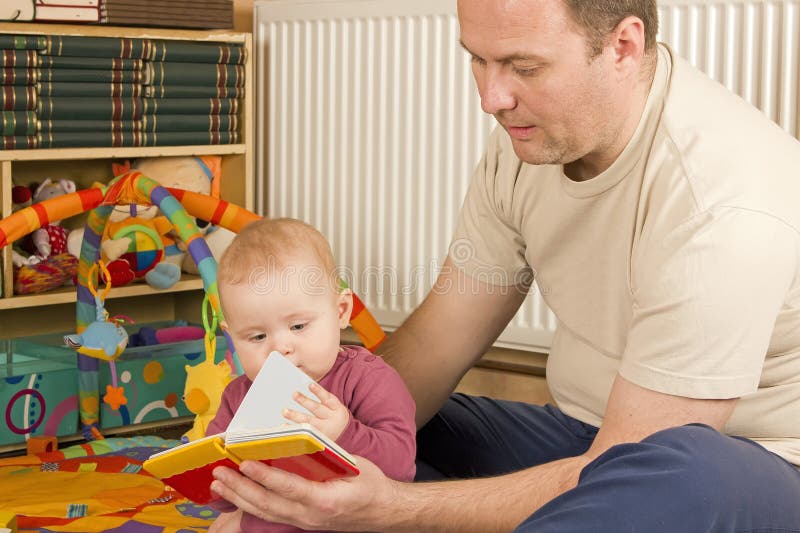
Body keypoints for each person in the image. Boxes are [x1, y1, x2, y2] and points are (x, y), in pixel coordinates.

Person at [209, 0, 800, 531]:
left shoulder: (721, 198)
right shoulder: (530, 140)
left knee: (673, 476)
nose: (491, 98)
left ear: (623, 46)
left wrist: (390, 508)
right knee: (382, 411)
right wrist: (311, 422)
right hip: (584, 437)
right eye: (479, 61)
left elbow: (637, 454)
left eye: (524, 67)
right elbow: (437, 344)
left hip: (740, 461)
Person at [206, 217, 416, 533]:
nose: (280, 349)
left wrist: (344, 432)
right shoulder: (239, 397)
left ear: (341, 311)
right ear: (231, 336)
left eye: (298, 326)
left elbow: (400, 469)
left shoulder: (369, 379)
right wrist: (217, 479)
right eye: (257, 337)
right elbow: (218, 496)